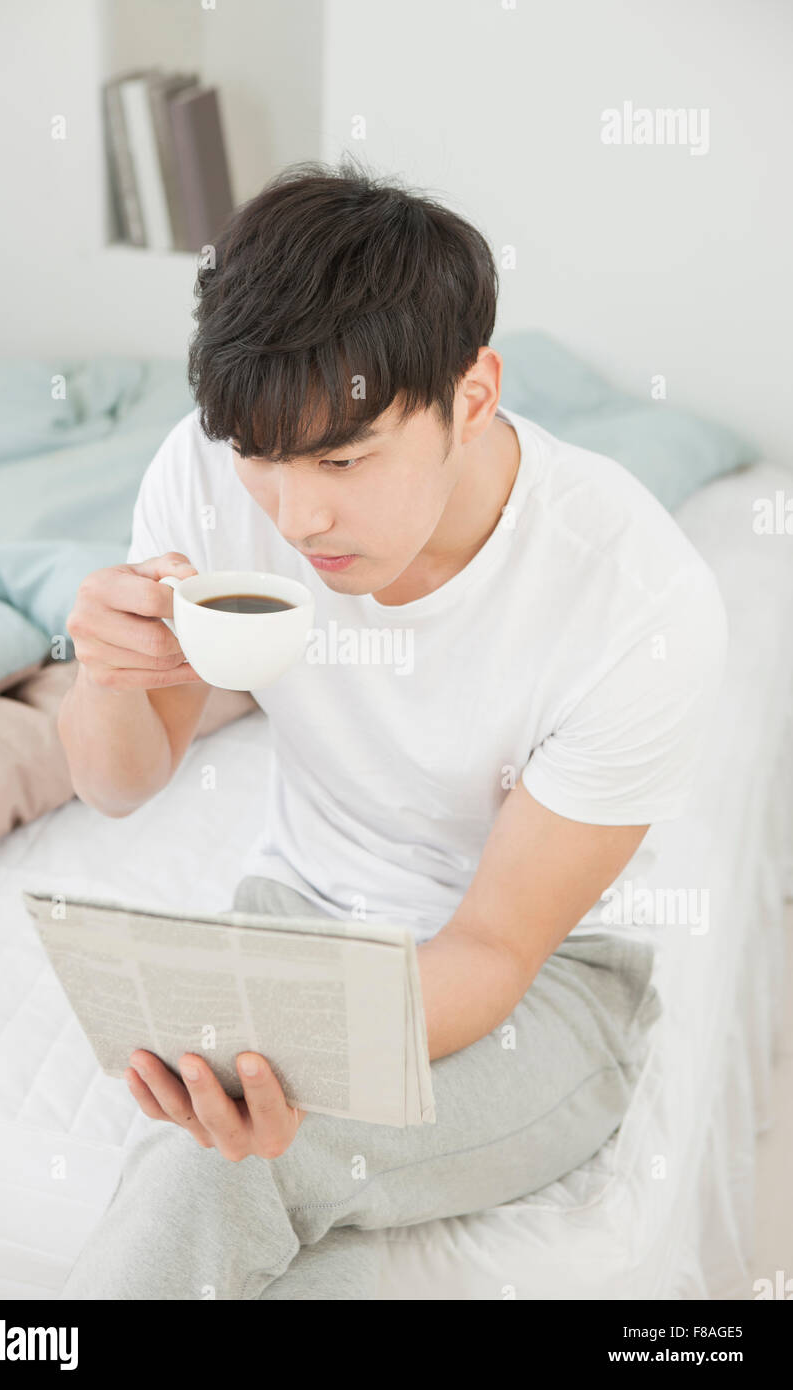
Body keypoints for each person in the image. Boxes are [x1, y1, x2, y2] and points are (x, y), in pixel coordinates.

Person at [57, 157, 728, 1300]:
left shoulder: (634, 599)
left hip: (546, 989)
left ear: (470, 398)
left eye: (345, 460)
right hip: (296, 919)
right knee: (290, 1222)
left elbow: (492, 951)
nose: (295, 514)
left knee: (215, 1168)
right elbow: (121, 785)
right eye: (263, 463)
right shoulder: (216, 477)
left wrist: (291, 1059)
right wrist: (108, 674)